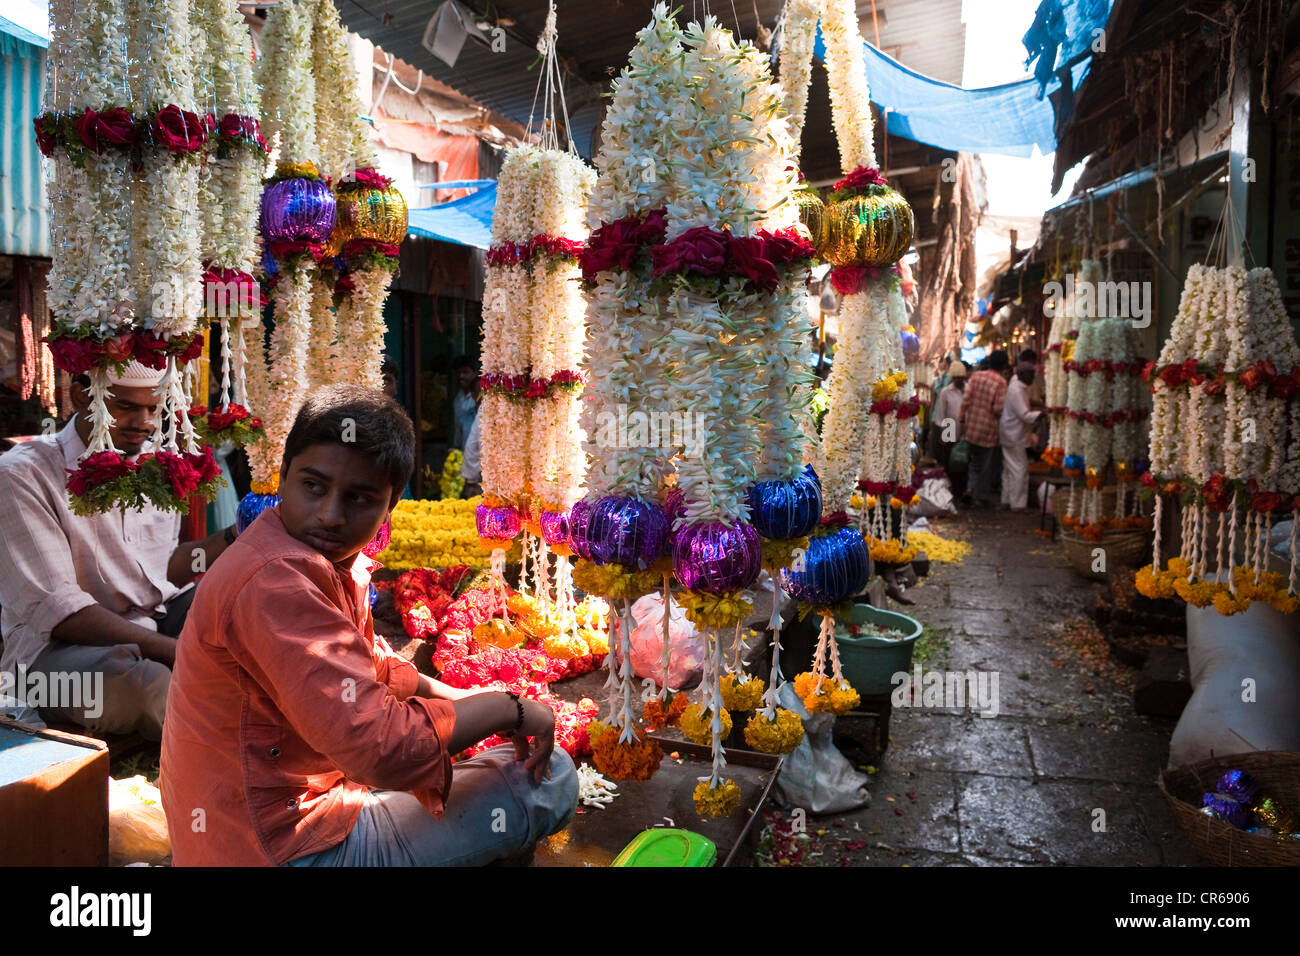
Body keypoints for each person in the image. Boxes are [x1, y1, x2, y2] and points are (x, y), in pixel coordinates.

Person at [160, 385, 576, 866]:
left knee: (497, 762)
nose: (331, 515)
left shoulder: (313, 557)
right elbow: (382, 750)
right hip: (278, 850)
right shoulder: (273, 578)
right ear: (284, 475)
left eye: (359, 498)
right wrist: (510, 711)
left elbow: (372, 663)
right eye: (313, 486)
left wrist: (465, 702)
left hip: (267, 828)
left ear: (391, 504)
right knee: (550, 778)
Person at [0, 362, 238, 739]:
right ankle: (236, 742)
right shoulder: (21, 474)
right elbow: (62, 614)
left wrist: (235, 535)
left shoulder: (154, 459)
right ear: (81, 396)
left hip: (154, 623)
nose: (142, 423)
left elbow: (160, 573)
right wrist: (179, 652)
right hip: (55, 652)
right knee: (141, 686)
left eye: (153, 408)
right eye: (124, 406)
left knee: (240, 609)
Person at [959, 348, 1010, 508]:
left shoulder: (976, 376)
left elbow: (965, 400)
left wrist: (961, 419)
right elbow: (997, 409)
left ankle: (969, 488)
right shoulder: (1001, 383)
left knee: (974, 462)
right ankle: (982, 496)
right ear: (1003, 366)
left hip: (971, 427)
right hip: (988, 430)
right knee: (986, 466)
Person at [1000, 361, 1042, 512]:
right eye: (1031, 375)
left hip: (1010, 434)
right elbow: (1024, 415)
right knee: (1019, 469)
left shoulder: (1016, 387)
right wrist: (1043, 414)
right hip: (1014, 435)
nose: (1033, 378)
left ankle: (1007, 500)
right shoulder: (1016, 389)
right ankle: (1018, 504)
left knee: (1009, 469)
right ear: (1023, 374)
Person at [929, 359, 966, 468]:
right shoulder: (946, 392)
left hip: (965, 430)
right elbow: (941, 415)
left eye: (960, 378)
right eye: (955, 378)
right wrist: (942, 434)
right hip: (949, 427)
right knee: (949, 459)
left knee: (963, 459)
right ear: (952, 378)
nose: (958, 380)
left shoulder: (969, 389)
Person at [452, 355, 479, 450]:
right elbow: (458, 427)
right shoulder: (458, 398)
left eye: (465, 372)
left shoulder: (480, 396)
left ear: (475, 373)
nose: (461, 376)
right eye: (458, 372)